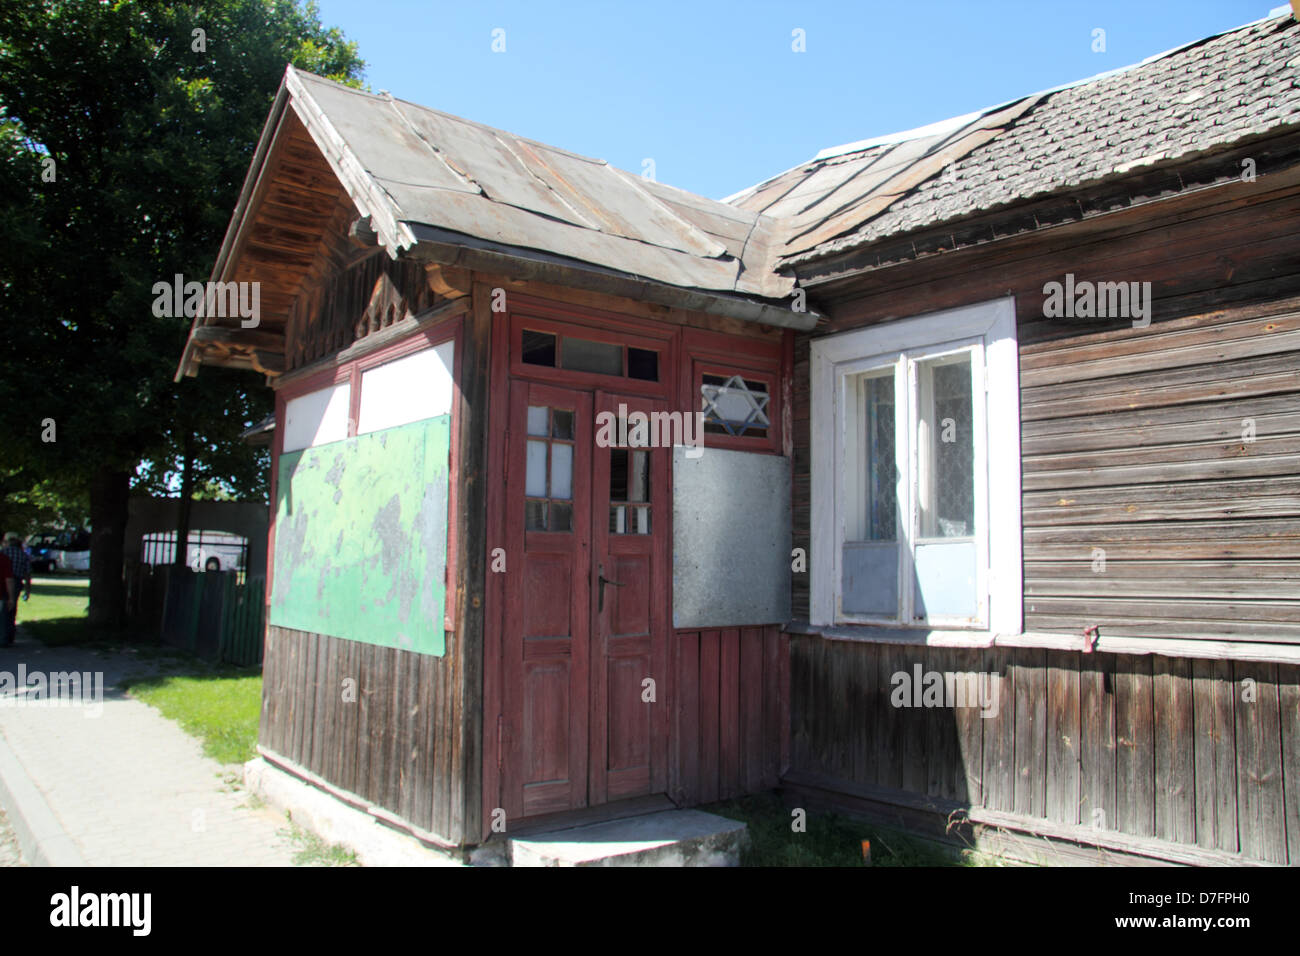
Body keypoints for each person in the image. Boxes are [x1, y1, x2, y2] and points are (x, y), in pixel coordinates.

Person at [1, 533, 30, 646]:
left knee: (3, 609)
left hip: (3, 581)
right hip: (17, 582)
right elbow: (27, 574)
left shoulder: (3, 553)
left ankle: (3, 636)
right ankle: (9, 634)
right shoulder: (23, 555)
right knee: (12, 609)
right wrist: (27, 590)